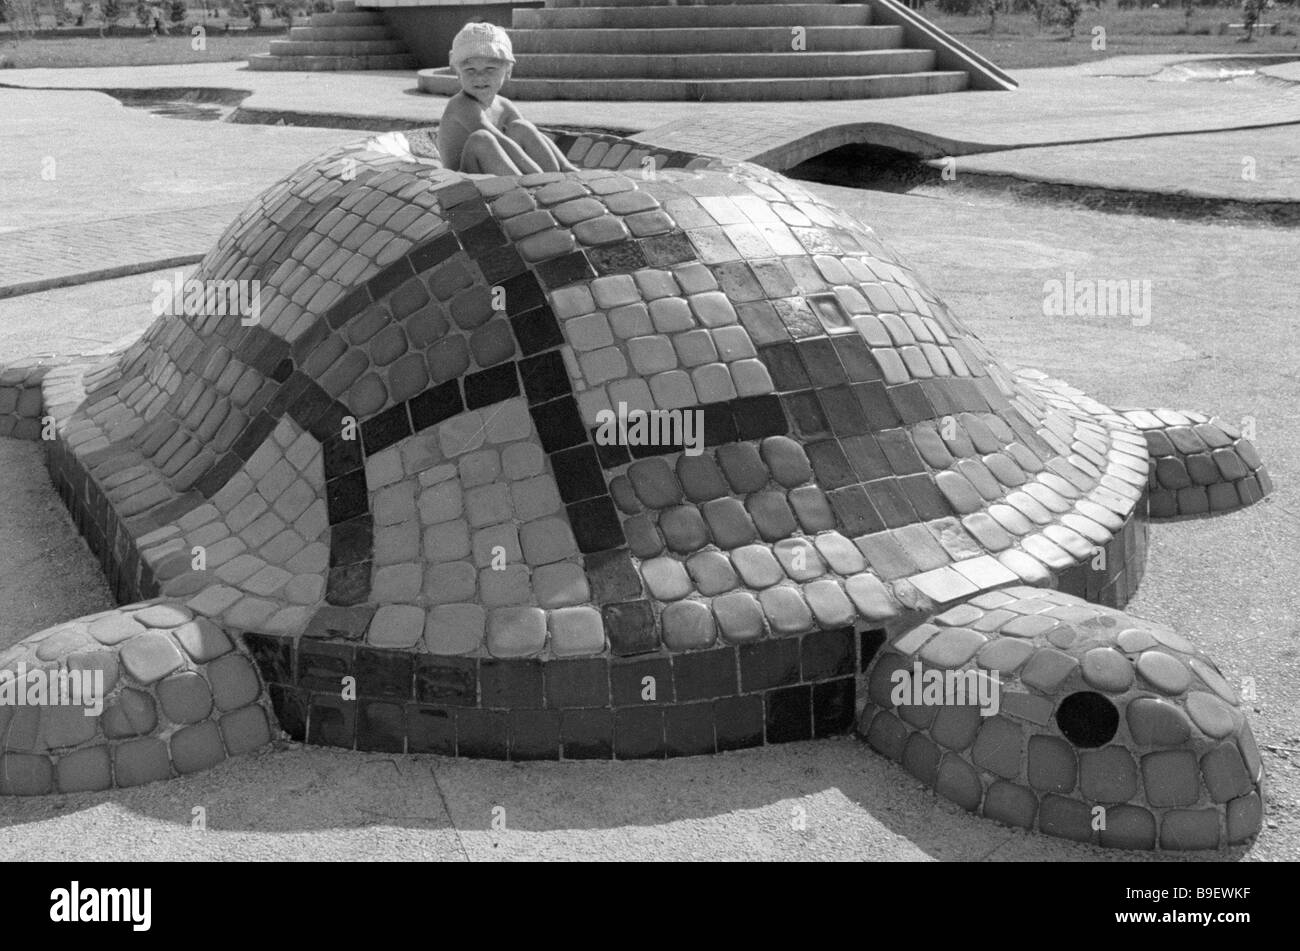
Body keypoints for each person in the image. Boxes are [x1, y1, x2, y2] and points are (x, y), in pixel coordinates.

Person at [436, 22, 577, 176]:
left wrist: (565, 166)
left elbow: (535, 135)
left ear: (508, 72)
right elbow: (501, 142)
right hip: (464, 180)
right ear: (458, 74)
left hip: (496, 173)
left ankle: (560, 175)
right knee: (481, 139)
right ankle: (532, 185)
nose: (480, 76)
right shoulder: (461, 104)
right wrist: (536, 175)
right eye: (470, 69)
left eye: (490, 68)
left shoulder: (504, 105)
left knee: (521, 126)